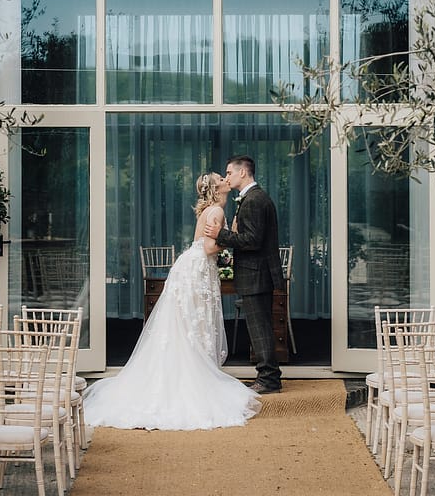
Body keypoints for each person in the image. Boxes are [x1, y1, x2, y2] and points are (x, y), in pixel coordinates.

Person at [83, 172, 261, 431]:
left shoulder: (212, 210)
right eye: (221, 178)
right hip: (197, 269)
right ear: (216, 188)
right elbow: (210, 248)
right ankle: (195, 380)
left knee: (187, 325)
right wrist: (231, 236)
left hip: (192, 267)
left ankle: (189, 375)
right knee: (195, 325)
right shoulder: (217, 213)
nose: (226, 179)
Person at [204, 155, 285, 394]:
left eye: (229, 172)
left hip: (256, 275)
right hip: (256, 274)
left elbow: (252, 241)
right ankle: (268, 375)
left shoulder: (254, 200)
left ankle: (269, 379)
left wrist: (222, 234)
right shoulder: (252, 198)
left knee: (260, 328)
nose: (226, 177)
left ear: (242, 173)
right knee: (260, 327)